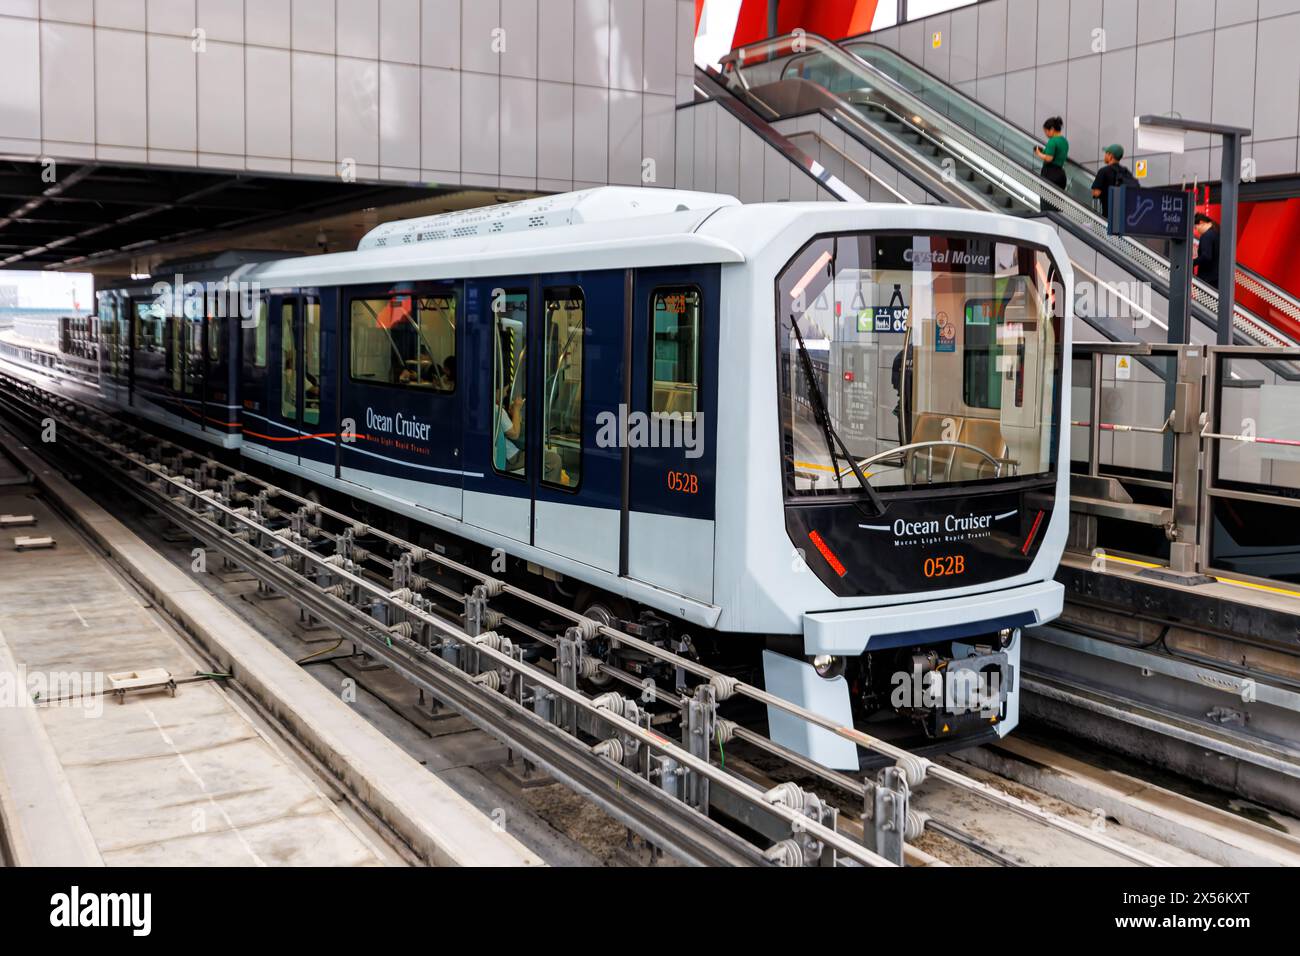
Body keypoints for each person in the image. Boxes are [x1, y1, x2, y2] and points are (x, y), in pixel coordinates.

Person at [1090, 143, 1137, 217]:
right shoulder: (1126, 171)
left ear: (1110, 156)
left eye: (1106, 153)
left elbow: (1096, 193)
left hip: (1108, 215)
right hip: (1124, 215)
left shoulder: (1103, 171)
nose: (1105, 156)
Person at [1033, 116, 1069, 191]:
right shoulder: (1065, 142)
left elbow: (1049, 158)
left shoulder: (1052, 141)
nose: (1046, 134)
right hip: (1061, 175)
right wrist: (1043, 152)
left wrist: (1038, 153)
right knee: (1058, 201)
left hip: (1050, 174)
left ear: (1052, 129)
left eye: (1046, 131)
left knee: (1046, 200)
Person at [495, 389, 525, 472]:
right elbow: (515, 434)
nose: (505, 394)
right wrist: (516, 409)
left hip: (507, 455)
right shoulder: (497, 409)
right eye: (505, 390)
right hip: (511, 458)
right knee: (554, 460)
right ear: (497, 390)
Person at [1193, 213, 1221, 289]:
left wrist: (1192, 262)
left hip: (1207, 279)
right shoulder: (1217, 232)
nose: (1196, 231)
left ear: (1201, 222)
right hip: (1218, 277)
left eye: (1196, 227)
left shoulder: (1206, 236)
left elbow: (1206, 256)